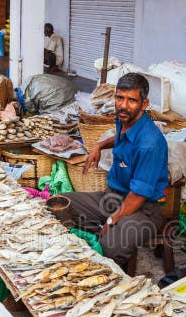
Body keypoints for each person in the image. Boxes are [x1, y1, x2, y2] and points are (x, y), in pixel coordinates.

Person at [62, 73, 169, 269]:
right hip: (113, 197)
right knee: (60, 205)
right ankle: (99, 233)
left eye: (132, 100)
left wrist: (113, 220)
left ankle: (102, 274)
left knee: (109, 250)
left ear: (144, 104)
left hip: (142, 209)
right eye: (120, 98)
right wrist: (100, 145)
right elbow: (123, 139)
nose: (123, 105)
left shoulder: (149, 144)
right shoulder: (124, 119)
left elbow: (137, 196)